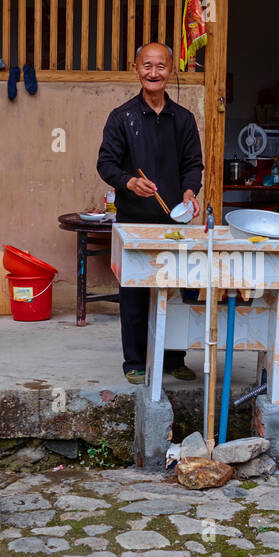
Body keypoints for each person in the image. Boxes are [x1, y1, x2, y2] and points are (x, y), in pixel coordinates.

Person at [97, 42, 204, 385]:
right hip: (135, 221)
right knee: (134, 291)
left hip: (176, 222)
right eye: (147, 66)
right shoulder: (122, 117)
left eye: (161, 67)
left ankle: (175, 358)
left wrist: (190, 191)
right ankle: (135, 362)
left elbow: (193, 166)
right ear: (136, 68)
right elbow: (106, 164)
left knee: (180, 289)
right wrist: (128, 182)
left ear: (170, 71)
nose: (154, 73)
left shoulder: (184, 120)